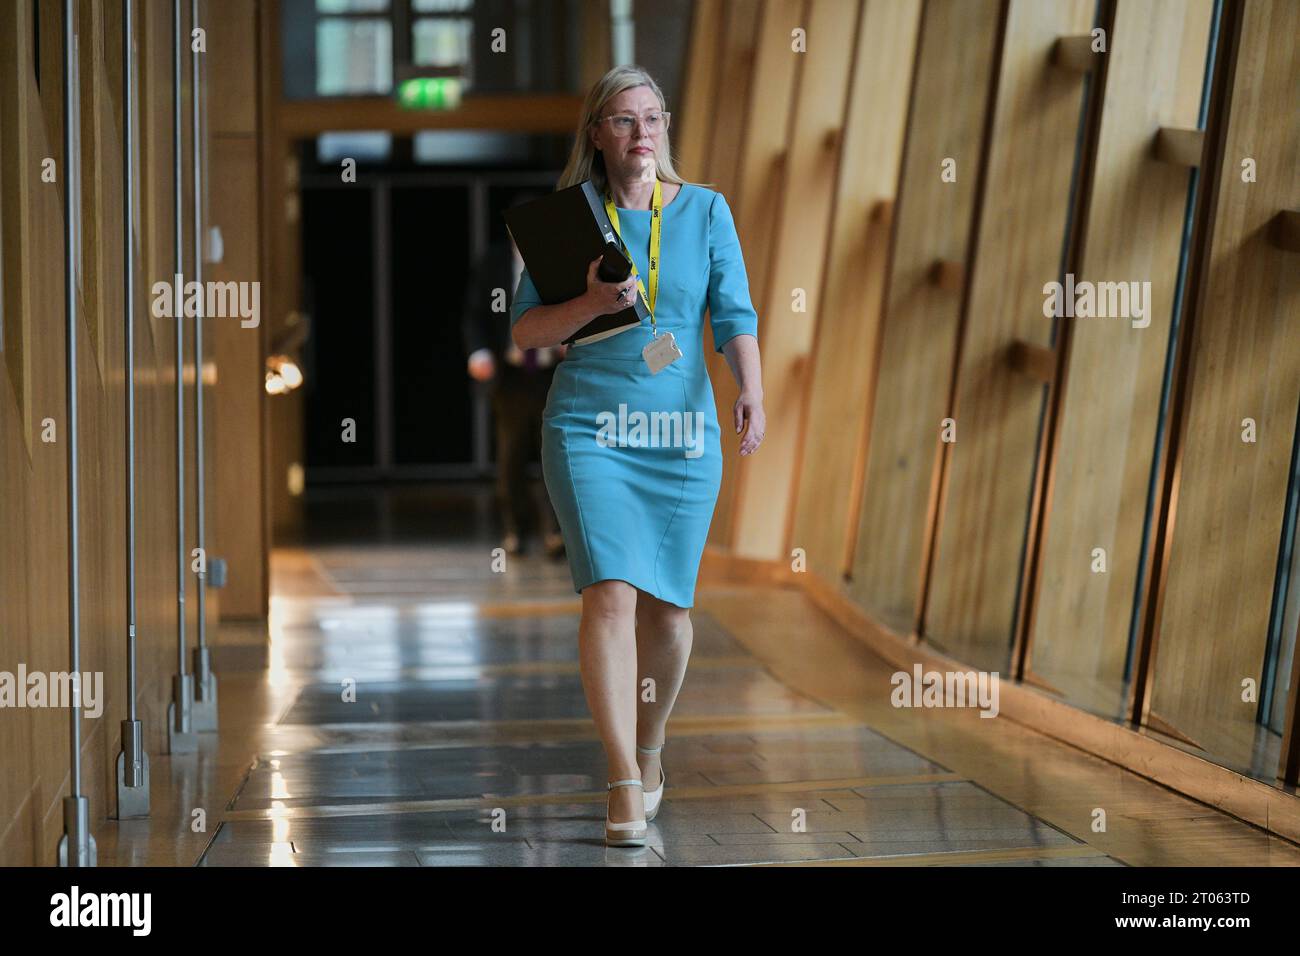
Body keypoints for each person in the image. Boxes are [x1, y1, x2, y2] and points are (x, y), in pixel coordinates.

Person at [510, 65, 765, 847]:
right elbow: (526, 332)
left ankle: (650, 747)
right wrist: (589, 302)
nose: (641, 132)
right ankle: (622, 775)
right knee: (610, 596)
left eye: (651, 117)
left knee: (671, 614)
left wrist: (750, 387)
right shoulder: (565, 220)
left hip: (681, 436)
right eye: (623, 120)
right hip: (591, 431)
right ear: (597, 134)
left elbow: (733, 312)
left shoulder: (707, 211)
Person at [462, 230, 566, 558]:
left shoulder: (561, 261)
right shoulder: (494, 263)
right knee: (512, 457)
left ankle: (555, 531)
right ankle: (517, 530)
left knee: (556, 455)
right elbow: (473, 314)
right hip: (512, 376)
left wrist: (573, 338)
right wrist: (478, 353)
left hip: (552, 374)